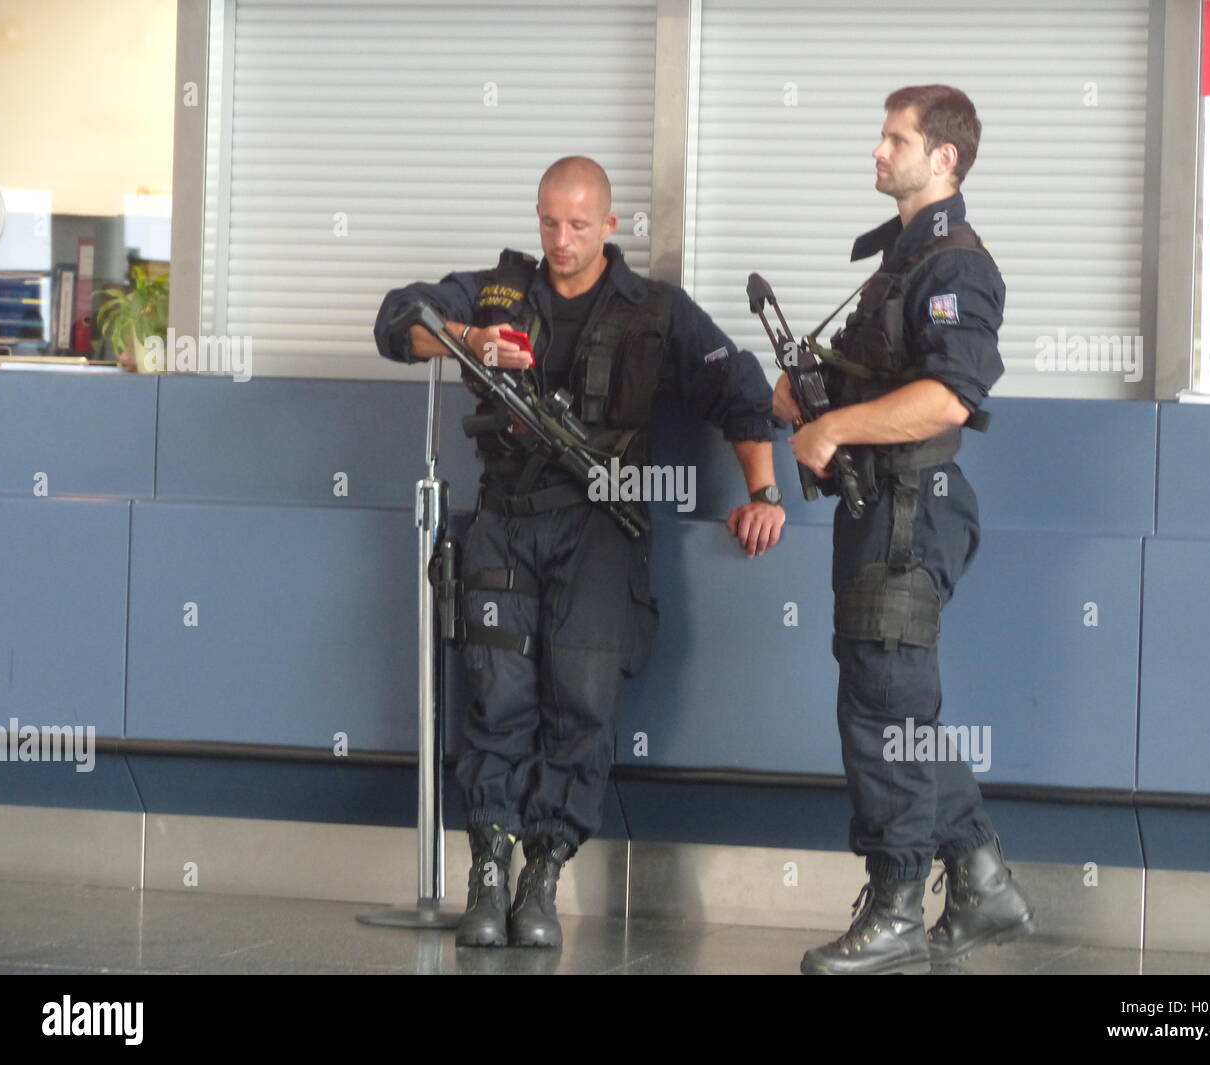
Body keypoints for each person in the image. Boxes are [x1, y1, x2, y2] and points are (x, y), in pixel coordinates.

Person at [374, 156, 785, 948]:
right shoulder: (499, 293)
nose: (560, 241)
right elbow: (397, 322)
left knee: (582, 705)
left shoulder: (655, 310)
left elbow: (738, 387)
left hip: (599, 529)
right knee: (495, 700)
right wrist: (469, 342)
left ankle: (542, 878)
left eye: (577, 225)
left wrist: (762, 494)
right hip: (504, 521)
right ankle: (488, 872)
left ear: (609, 225)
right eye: (548, 223)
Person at [777, 86, 1034, 975]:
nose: (877, 153)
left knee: (883, 710)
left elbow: (949, 395)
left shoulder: (957, 268)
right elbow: (873, 378)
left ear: (945, 159)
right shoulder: (896, 262)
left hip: (910, 514)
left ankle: (896, 912)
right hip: (876, 510)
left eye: (895, 139)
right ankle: (981, 876)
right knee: (898, 706)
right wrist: (811, 399)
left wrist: (836, 427)